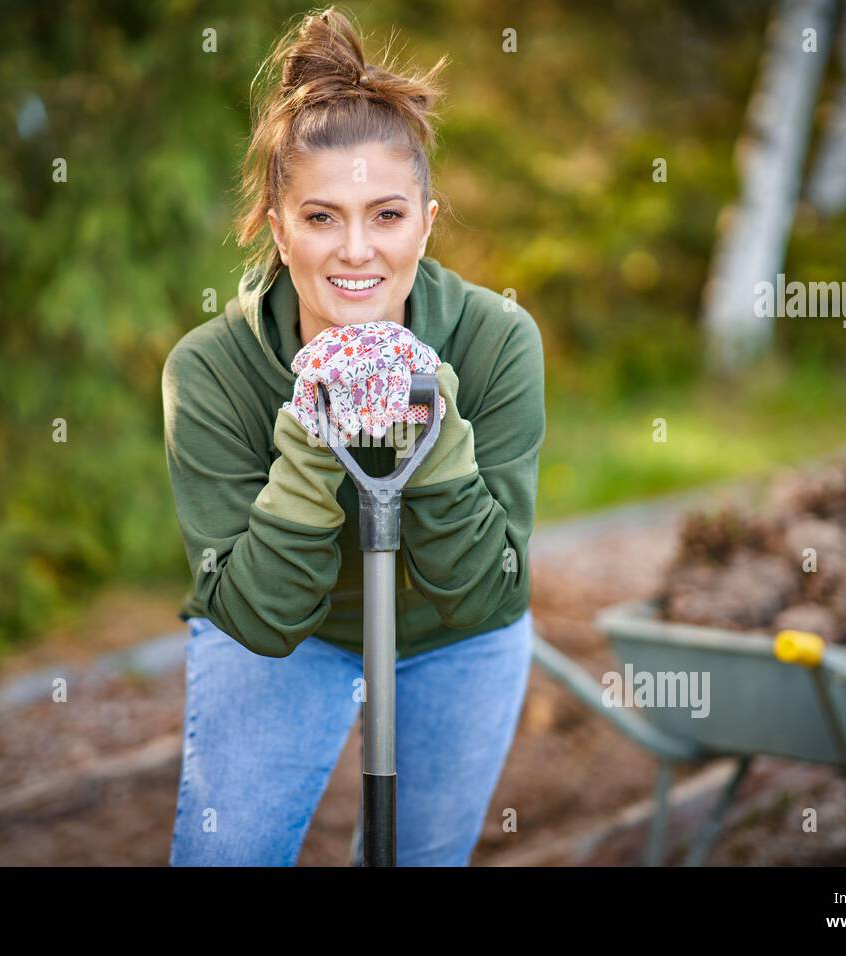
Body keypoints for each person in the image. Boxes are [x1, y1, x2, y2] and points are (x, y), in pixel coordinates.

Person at [161, 6, 545, 866]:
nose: (357, 253)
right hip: (294, 639)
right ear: (274, 222)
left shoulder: (495, 341)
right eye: (323, 217)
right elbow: (256, 617)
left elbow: (488, 593)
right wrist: (308, 430)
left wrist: (434, 429)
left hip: (453, 638)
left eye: (387, 215)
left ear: (428, 220)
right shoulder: (211, 370)